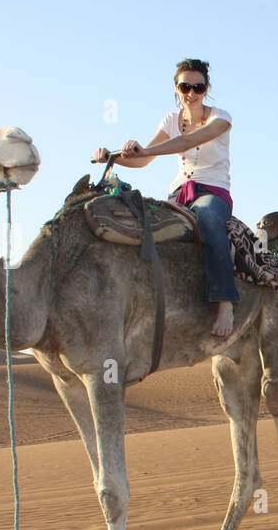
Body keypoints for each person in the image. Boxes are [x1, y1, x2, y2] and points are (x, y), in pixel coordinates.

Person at [92, 58, 238, 337]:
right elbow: (142, 160)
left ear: (207, 88)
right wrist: (111, 157)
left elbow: (184, 143)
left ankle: (225, 301)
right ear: (176, 88)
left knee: (207, 219)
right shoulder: (170, 120)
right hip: (178, 193)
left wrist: (144, 151)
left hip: (212, 191)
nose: (192, 93)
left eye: (198, 87)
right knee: (142, 224)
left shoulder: (221, 118)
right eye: (185, 87)